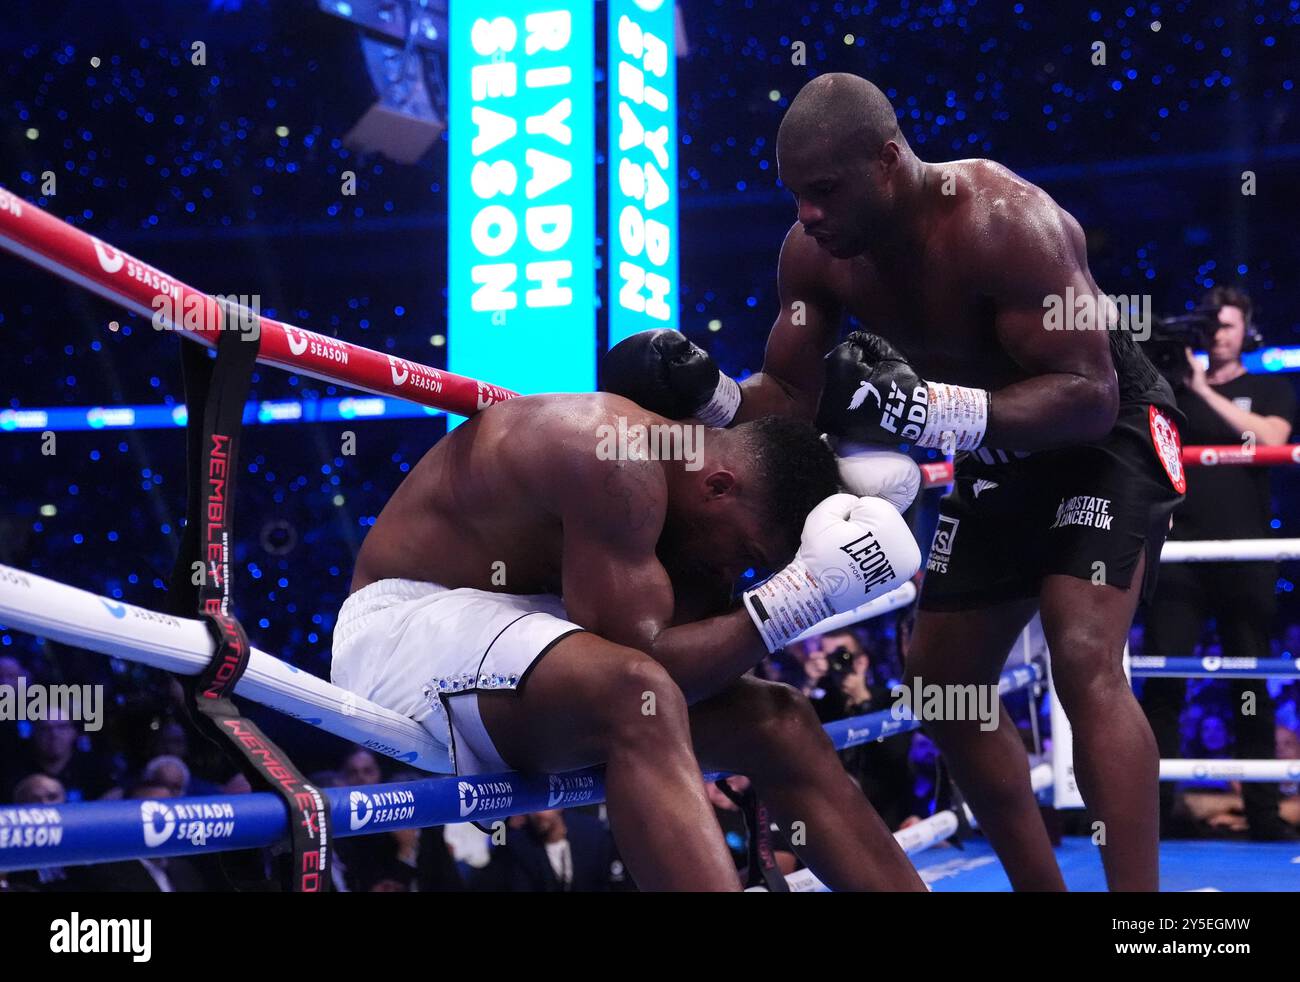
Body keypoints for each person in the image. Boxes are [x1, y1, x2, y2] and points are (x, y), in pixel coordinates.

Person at [601, 73, 1185, 890]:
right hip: (1001, 453)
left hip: (1108, 433)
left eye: (825, 192)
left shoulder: (1004, 221)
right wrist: (712, 394)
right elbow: (794, 402)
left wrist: (931, 410)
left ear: (886, 161)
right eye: (797, 195)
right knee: (943, 684)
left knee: (1082, 649)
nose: (807, 214)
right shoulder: (815, 256)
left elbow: (1089, 394)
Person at [332, 391, 923, 891]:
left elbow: (684, 641)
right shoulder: (611, 458)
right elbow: (648, 665)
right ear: (718, 487)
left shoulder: (686, 477)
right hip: (401, 631)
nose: (735, 572)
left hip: (518, 629)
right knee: (637, 690)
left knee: (779, 719)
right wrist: (801, 597)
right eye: (747, 556)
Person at [1140, 286, 1298, 841]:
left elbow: (1271, 436)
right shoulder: (1168, 390)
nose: (1219, 335)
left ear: (1247, 330)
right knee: (1162, 683)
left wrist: (1203, 389)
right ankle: (1150, 816)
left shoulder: (1268, 386)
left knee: (1249, 682)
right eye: (1211, 326)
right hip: (1180, 555)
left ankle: (1262, 815)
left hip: (1245, 555)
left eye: (1228, 325)